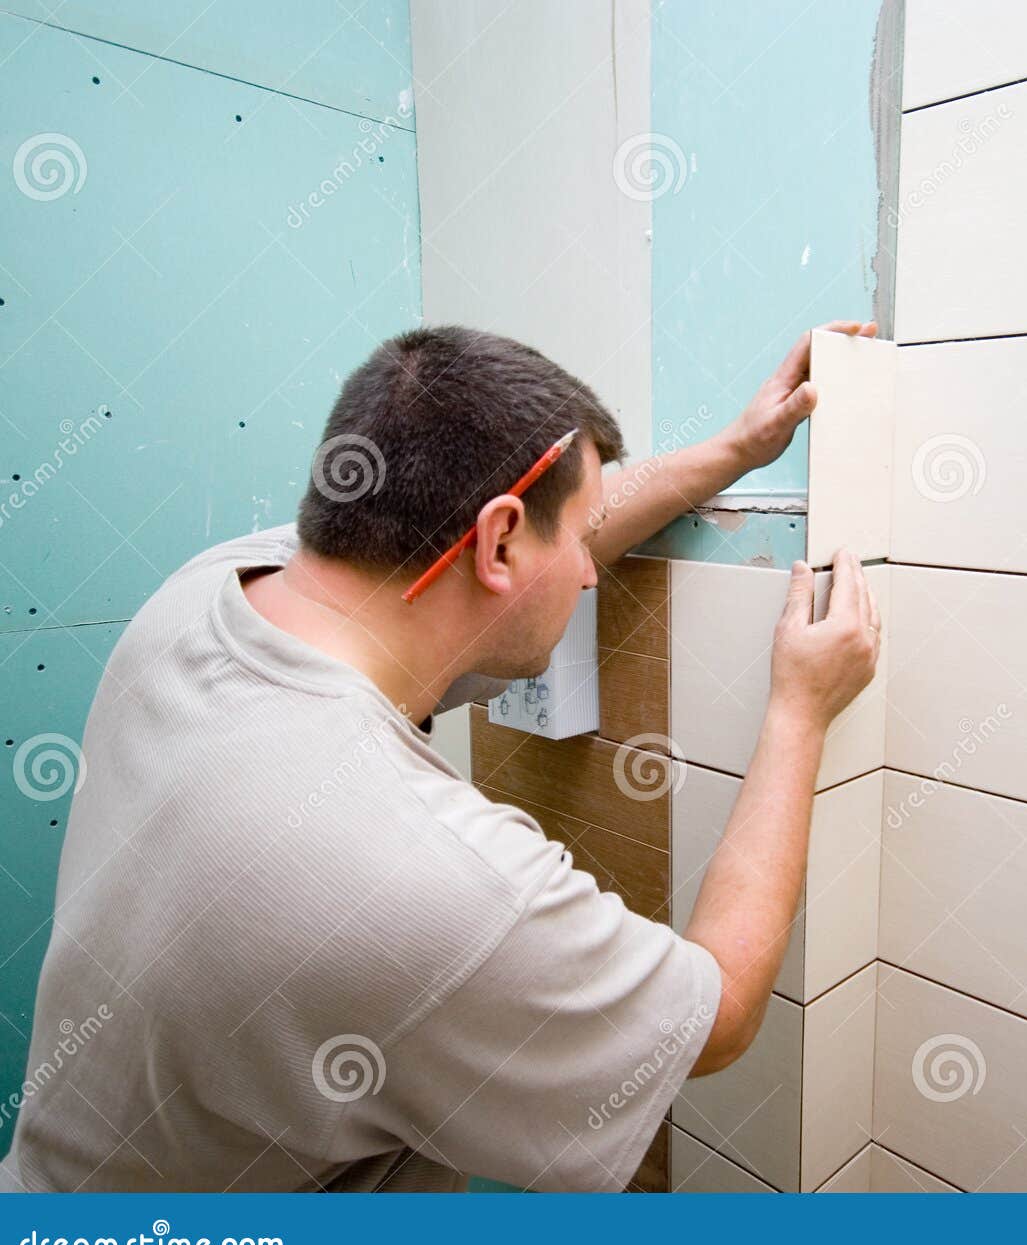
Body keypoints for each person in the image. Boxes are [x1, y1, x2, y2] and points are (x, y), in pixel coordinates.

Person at [0, 320, 882, 1192]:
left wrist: (733, 449)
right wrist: (800, 712)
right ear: (500, 542)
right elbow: (719, 1014)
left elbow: (469, 551)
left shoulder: (203, 599)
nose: (587, 572)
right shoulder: (434, 881)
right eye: (578, 537)